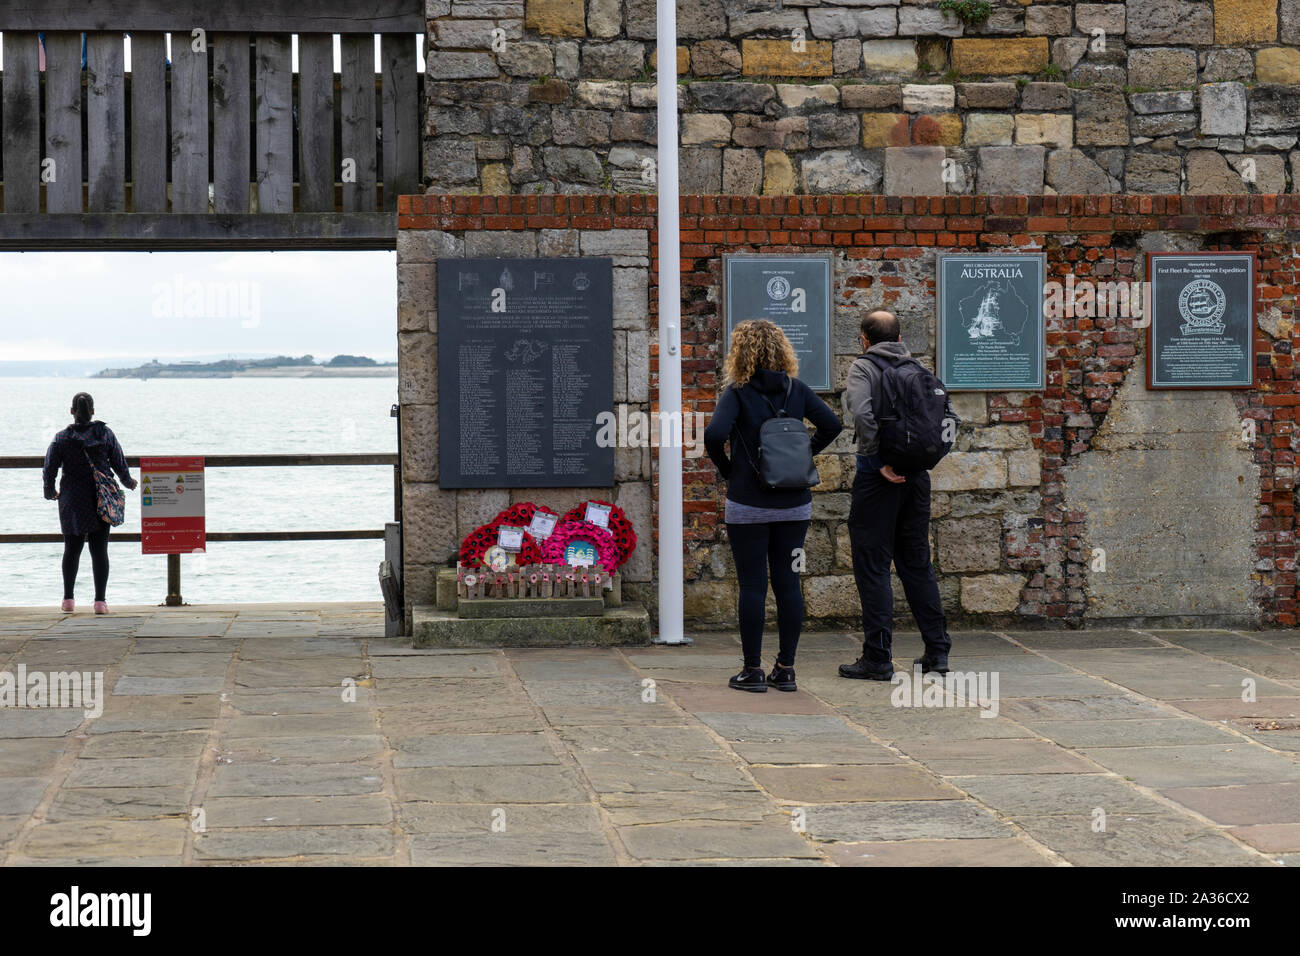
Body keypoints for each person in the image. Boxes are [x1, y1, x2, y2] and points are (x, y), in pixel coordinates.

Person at [705, 320, 843, 692]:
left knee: (753, 585)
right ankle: (785, 669)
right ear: (783, 351)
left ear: (740, 353)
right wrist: (803, 457)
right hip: (794, 506)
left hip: (748, 504)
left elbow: (715, 435)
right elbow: (832, 424)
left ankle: (752, 671)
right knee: (788, 583)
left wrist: (730, 471)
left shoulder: (736, 392)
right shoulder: (796, 390)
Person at [839, 310, 953, 680]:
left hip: (878, 478)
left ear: (865, 339)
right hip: (917, 479)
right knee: (917, 564)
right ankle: (937, 652)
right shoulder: (919, 370)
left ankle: (877, 658)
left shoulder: (863, 368)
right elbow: (947, 421)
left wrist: (880, 459)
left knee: (873, 567)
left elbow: (861, 414)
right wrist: (919, 462)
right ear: (899, 336)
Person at [42, 393, 137, 614]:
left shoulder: (61, 438)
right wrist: (128, 481)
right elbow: (119, 462)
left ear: (72, 411)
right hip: (100, 497)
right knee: (99, 550)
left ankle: (68, 600)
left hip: (72, 499)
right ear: (92, 411)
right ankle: (100, 602)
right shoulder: (104, 433)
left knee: (72, 549)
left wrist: (49, 491)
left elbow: (50, 468)